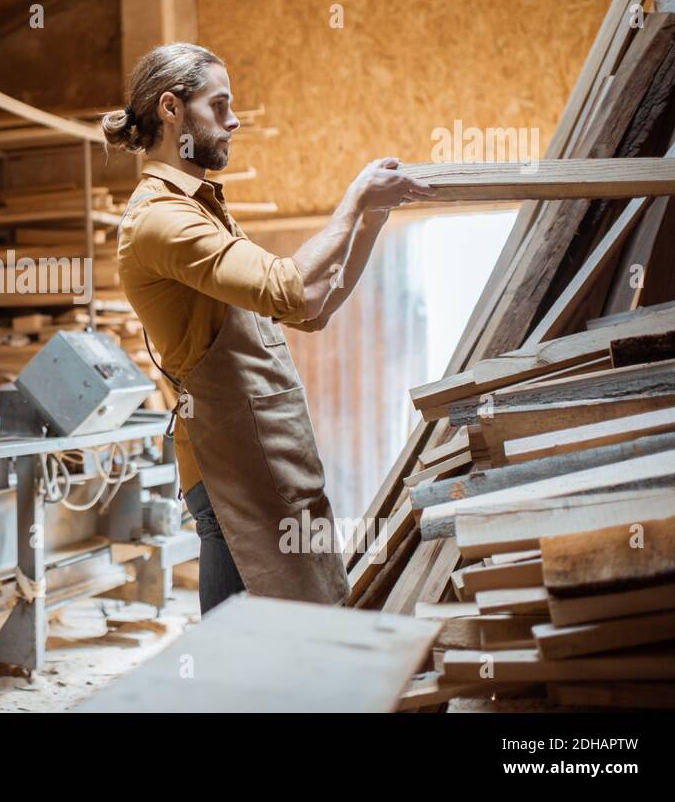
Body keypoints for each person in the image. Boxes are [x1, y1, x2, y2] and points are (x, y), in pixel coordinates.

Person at [105, 42, 433, 615]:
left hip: (266, 455)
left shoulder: (202, 208)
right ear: (170, 110)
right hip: (231, 465)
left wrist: (373, 219)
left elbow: (310, 308)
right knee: (245, 661)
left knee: (290, 636)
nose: (233, 120)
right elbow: (291, 285)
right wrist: (352, 200)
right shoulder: (161, 218)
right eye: (220, 104)